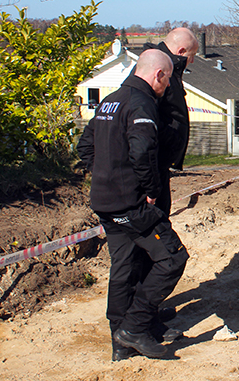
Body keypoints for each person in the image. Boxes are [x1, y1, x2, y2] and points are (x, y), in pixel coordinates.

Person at [77, 49, 189, 360]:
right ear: (159, 75)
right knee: (172, 258)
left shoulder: (110, 99)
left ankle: (119, 342)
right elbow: (142, 152)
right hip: (131, 203)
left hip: (104, 201)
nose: (167, 89)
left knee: (124, 265)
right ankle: (135, 327)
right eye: (166, 82)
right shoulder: (142, 104)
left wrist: (105, 173)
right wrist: (150, 189)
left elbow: (85, 146)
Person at [142, 27, 199, 215]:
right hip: (154, 162)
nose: (192, 61)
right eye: (192, 56)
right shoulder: (158, 75)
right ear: (181, 51)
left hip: (162, 161)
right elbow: (147, 120)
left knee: (161, 216)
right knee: (157, 220)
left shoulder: (172, 73)